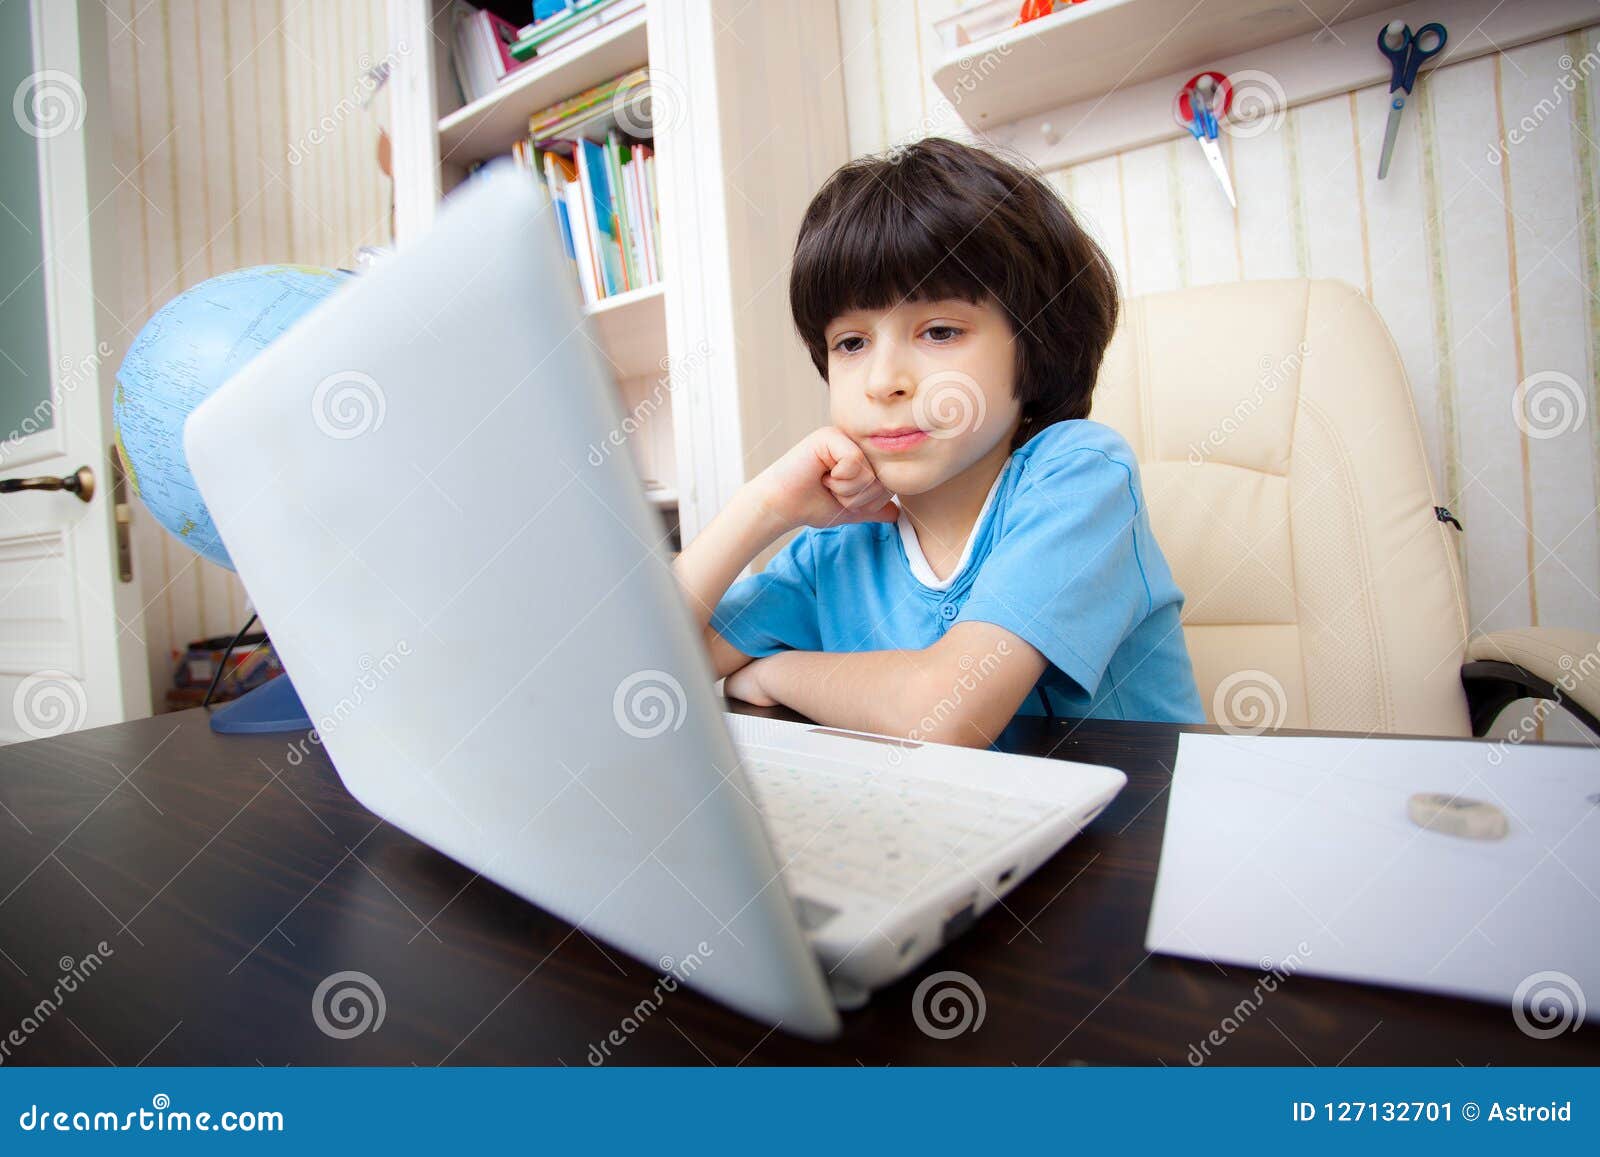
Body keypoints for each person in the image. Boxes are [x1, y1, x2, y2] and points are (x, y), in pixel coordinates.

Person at [672, 137, 1203, 748]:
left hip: (1130, 837)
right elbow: (646, 673)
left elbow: (945, 711)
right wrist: (760, 506)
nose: (884, 381)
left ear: (1036, 347)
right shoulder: (835, 551)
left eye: (940, 331)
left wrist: (777, 673)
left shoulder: (1080, 475)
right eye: (850, 343)